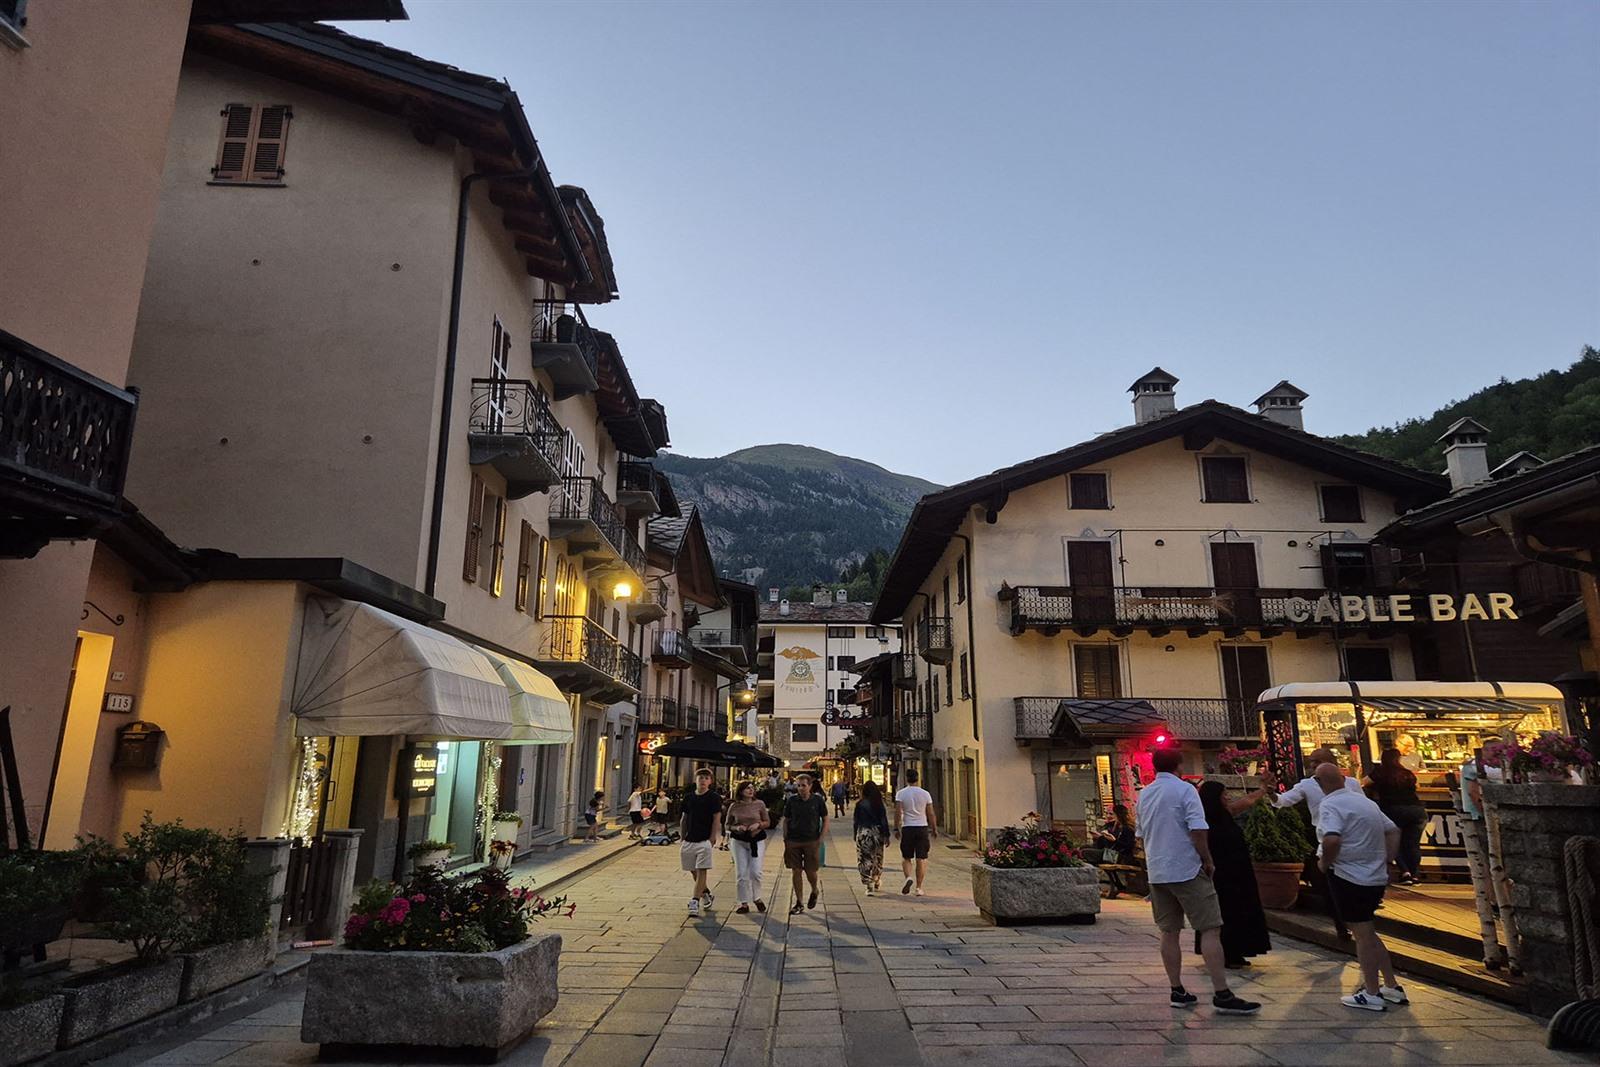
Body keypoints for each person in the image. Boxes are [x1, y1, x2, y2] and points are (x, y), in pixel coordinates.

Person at [1133, 747, 1261, 1015]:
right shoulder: (1185, 790)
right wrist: (1207, 859)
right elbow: (1198, 829)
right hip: (1186, 868)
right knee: (1211, 928)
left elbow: (1140, 835)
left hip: (1158, 871)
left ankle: (1177, 989)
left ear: (1154, 766)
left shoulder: (1144, 795)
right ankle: (1222, 993)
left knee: (1169, 932)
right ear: (1179, 765)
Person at [1313, 763, 1406, 1012]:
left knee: (1361, 935)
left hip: (1348, 875)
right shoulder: (1365, 802)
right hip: (1374, 875)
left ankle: (1372, 992)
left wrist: (1324, 863)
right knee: (1367, 930)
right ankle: (1391, 984)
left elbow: (1332, 838)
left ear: (1320, 783)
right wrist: (1387, 861)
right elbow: (1393, 830)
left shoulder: (1330, 804)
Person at [1455, 749, 1521, 972]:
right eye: (1496, 748)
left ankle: (1500, 902)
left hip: (1491, 820)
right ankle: (1498, 901)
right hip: (1483, 819)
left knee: (1493, 865)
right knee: (1491, 864)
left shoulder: (1487, 766)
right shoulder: (1473, 767)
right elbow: (1475, 793)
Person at [1192, 781, 1271, 969]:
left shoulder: (1225, 814)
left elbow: (1247, 801)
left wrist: (1263, 789)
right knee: (1225, 913)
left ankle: (1237, 952)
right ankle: (1226, 954)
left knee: (1239, 912)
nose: (1227, 797)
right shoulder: (1203, 821)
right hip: (1221, 875)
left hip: (1238, 873)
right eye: (1223, 794)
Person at [1363, 748, 1427, 885]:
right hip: (1416, 810)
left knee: (1394, 841)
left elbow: (1362, 783)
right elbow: (1417, 787)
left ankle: (1405, 872)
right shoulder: (1407, 773)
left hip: (1393, 809)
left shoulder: (1380, 772)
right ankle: (1415, 874)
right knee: (1413, 844)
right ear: (1398, 759)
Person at [781, 774, 829, 914]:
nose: (801, 788)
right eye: (798, 785)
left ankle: (814, 890)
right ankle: (799, 902)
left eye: (803, 785)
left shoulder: (817, 801)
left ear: (810, 786)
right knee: (796, 870)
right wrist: (785, 837)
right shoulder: (792, 801)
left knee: (810, 871)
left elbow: (825, 819)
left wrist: (821, 837)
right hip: (793, 840)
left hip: (811, 840)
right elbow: (786, 819)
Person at [679, 769, 722, 916]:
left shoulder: (713, 797)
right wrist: (682, 836)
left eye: (706, 778)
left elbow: (716, 818)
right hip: (689, 839)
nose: (703, 780)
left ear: (710, 781)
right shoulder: (689, 797)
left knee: (702, 869)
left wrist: (712, 837)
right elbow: (684, 818)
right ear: (695, 780)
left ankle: (695, 901)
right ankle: (706, 893)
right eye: (700, 778)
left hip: (704, 839)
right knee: (693, 870)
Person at [725, 780, 771, 914]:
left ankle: (757, 897)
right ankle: (743, 902)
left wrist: (758, 825)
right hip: (739, 841)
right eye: (747, 788)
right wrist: (737, 827)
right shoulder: (734, 806)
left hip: (756, 841)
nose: (751, 790)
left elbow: (767, 821)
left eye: (752, 788)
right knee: (741, 873)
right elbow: (727, 825)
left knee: (756, 871)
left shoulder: (759, 804)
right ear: (741, 791)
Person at [893, 767, 937, 896]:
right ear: (917, 778)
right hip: (922, 827)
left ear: (907, 779)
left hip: (907, 827)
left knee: (906, 857)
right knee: (921, 858)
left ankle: (908, 877)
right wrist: (934, 828)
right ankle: (918, 887)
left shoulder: (901, 793)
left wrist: (896, 827)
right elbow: (931, 813)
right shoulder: (925, 794)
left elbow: (897, 812)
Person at [853, 780, 891, 895]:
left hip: (864, 832)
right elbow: (884, 820)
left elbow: (856, 821)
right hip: (877, 833)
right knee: (877, 857)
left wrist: (855, 834)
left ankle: (868, 885)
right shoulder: (879, 804)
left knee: (864, 858)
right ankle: (876, 878)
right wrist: (886, 835)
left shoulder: (860, 804)